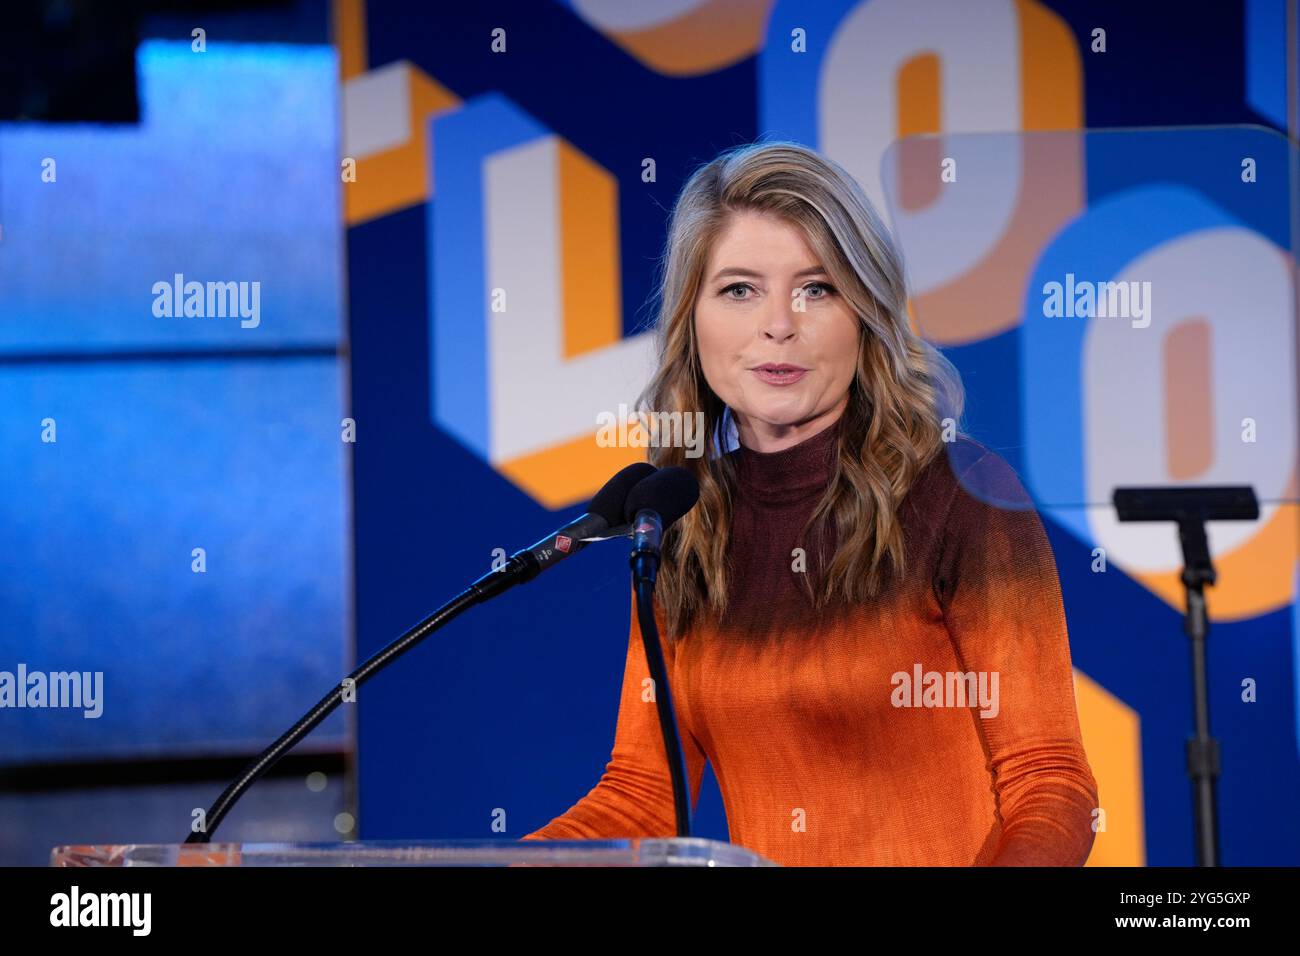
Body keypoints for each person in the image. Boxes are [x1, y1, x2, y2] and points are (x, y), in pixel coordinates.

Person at [522, 141, 1098, 866]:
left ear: (864, 311)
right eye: (739, 289)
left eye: (816, 288)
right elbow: (642, 794)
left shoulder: (961, 492)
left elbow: (1049, 783)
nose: (779, 324)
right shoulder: (678, 524)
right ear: (691, 321)